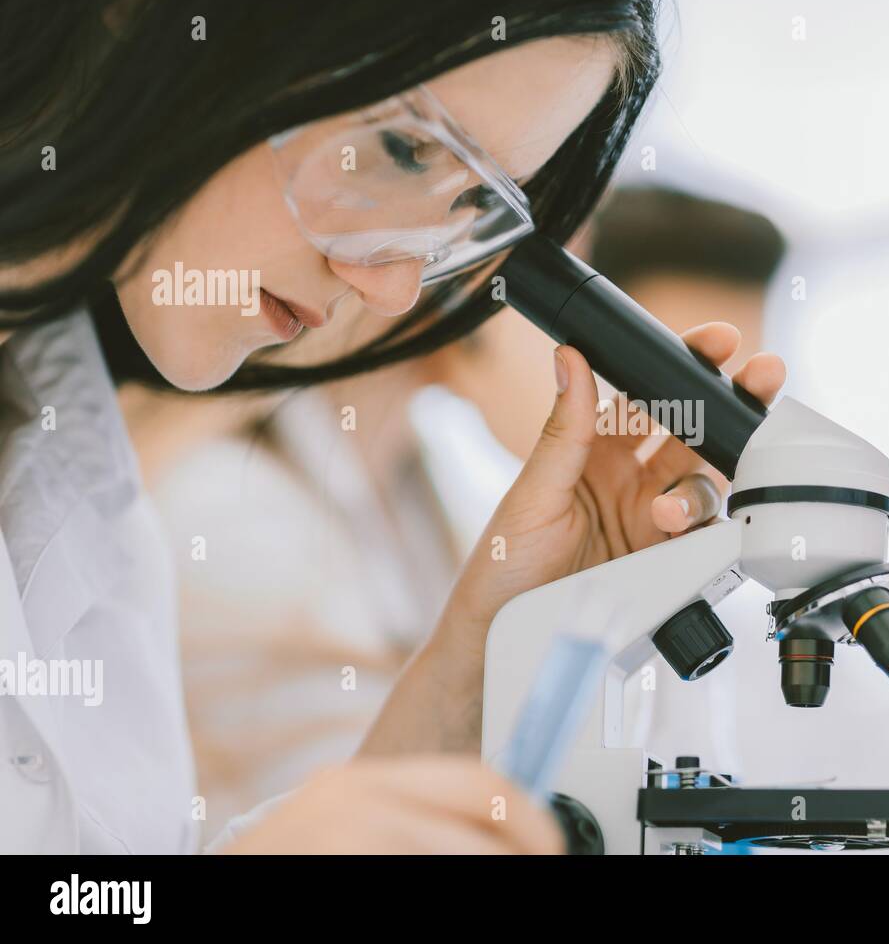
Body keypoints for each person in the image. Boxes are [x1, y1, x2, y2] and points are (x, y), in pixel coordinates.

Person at [0, 0, 786, 853]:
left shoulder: (79, 482)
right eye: (405, 149)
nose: (393, 287)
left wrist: (489, 649)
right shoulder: (211, 505)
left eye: (467, 211)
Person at [121, 187, 785, 839]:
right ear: (483, 285)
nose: (682, 429)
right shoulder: (230, 512)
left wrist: (633, 601)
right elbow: (394, 829)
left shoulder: (430, 500)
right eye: (648, 366)